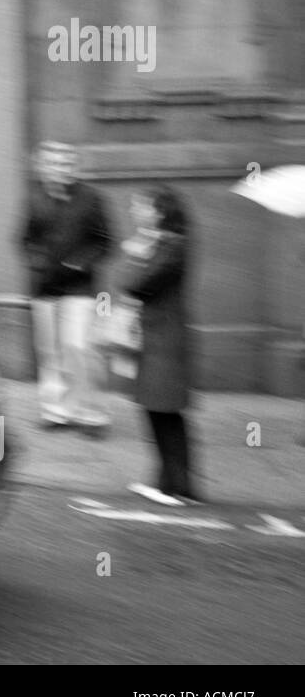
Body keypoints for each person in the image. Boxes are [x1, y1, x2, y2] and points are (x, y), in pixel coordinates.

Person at [20, 141, 114, 431]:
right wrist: (36, 259)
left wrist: (80, 263)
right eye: (52, 163)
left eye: (64, 163)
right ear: (41, 166)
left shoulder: (91, 198)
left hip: (80, 288)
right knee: (50, 351)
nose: (59, 169)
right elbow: (24, 238)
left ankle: (91, 412)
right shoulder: (34, 198)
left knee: (79, 348)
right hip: (45, 287)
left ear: (73, 166)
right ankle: (55, 411)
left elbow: (105, 241)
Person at [119, 185, 199, 505]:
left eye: (141, 206)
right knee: (157, 411)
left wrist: (137, 256)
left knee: (165, 411)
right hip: (153, 335)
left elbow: (139, 286)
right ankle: (170, 482)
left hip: (165, 337)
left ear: (159, 211)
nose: (134, 211)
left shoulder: (173, 245)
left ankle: (177, 487)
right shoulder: (160, 244)